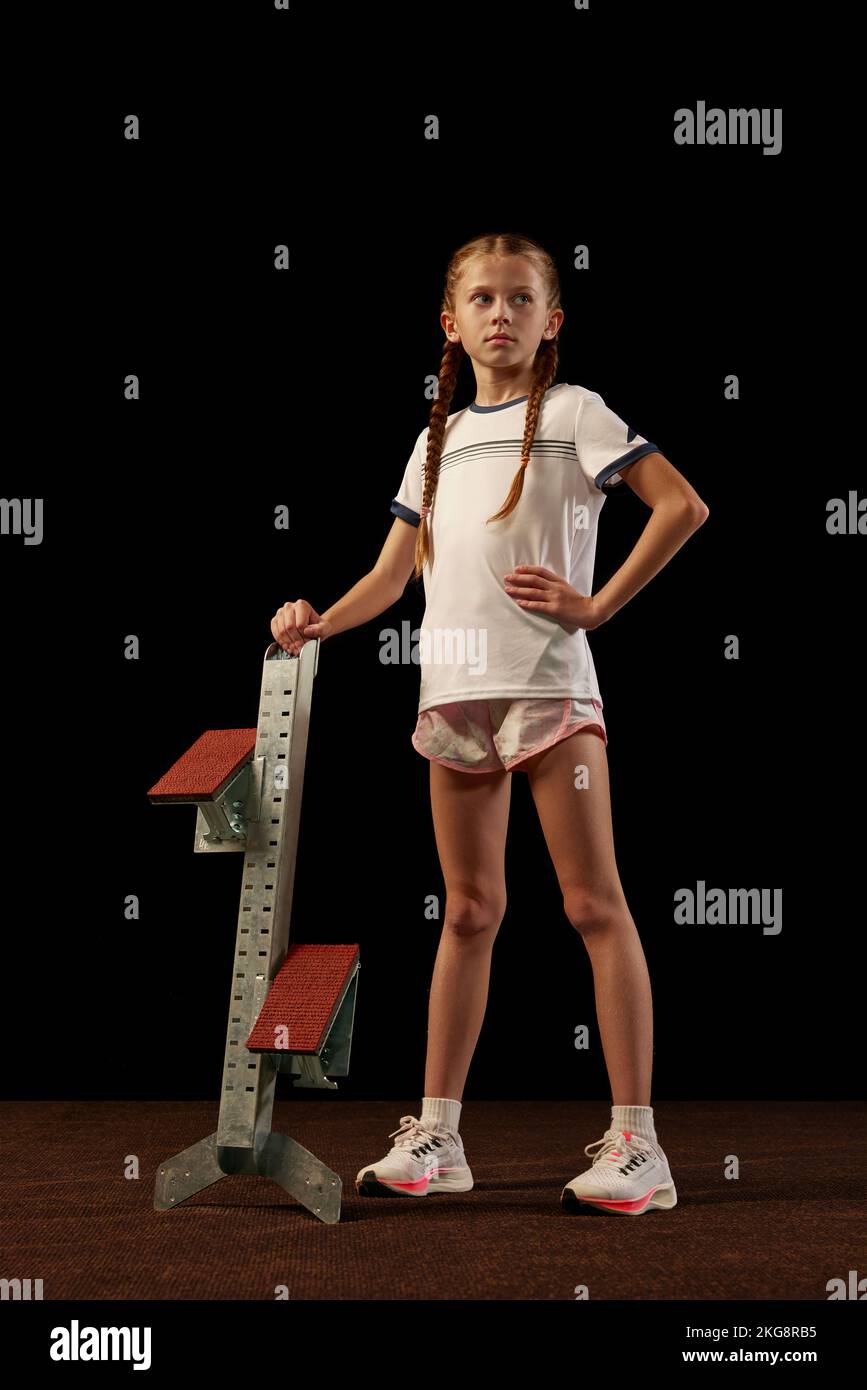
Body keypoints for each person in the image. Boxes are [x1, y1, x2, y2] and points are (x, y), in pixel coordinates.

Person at [270, 232, 708, 1216]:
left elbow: (681, 505)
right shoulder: (436, 441)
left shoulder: (576, 415)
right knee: (468, 910)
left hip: (550, 688)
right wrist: (318, 621)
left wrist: (596, 606)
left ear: (553, 321)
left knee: (593, 904)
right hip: (454, 696)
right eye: (481, 298)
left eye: (520, 298)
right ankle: (439, 1132)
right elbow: (392, 574)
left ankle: (639, 1144)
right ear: (451, 322)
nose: (499, 313)